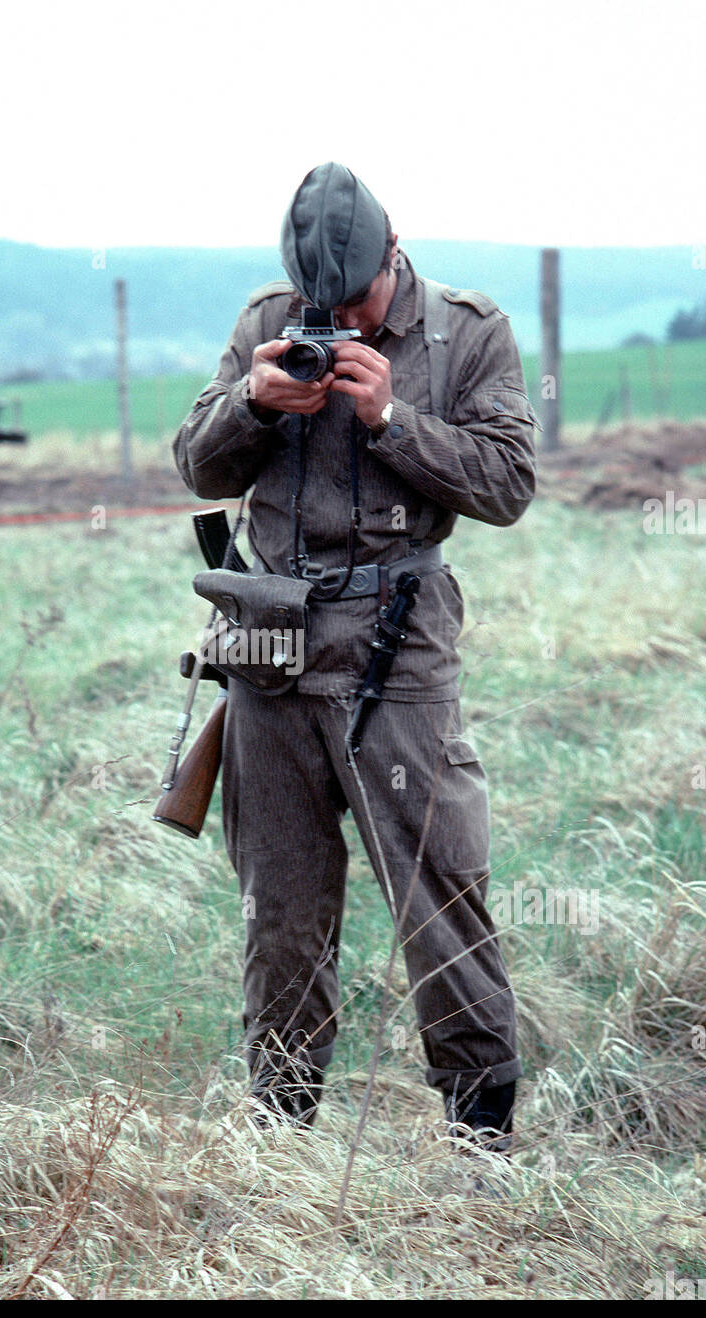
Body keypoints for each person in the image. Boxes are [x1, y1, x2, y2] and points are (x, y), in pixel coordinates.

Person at [172, 162, 537, 1153]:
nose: (339, 324)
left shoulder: (466, 333)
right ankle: (282, 1135)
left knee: (439, 892)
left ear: (395, 251)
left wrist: (391, 420)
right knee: (280, 911)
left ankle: (479, 1140)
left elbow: (507, 485)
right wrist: (251, 402)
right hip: (272, 653)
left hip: (397, 649)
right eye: (323, 308)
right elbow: (195, 465)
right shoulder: (268, 319)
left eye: (359, 305)